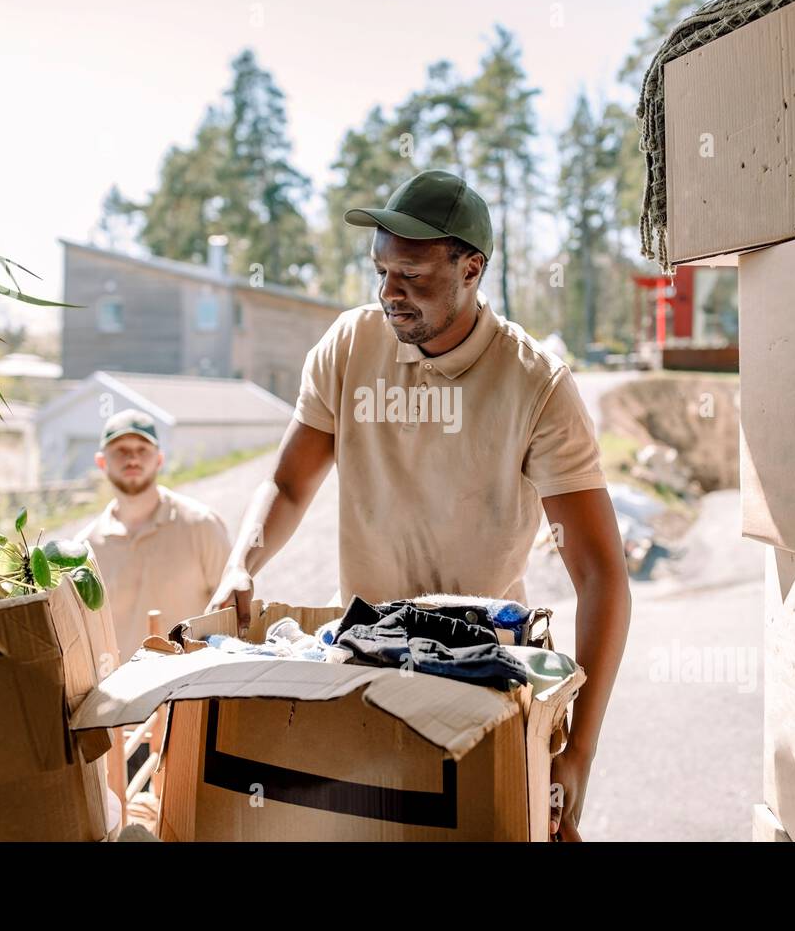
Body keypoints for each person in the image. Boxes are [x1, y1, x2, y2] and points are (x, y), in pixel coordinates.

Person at [207, 169, 631, 840]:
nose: (388, 293)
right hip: (361, 661)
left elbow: (600, 572)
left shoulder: (537, 385)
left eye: (411, 276)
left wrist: (580, 750)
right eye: (381, 272)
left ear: (472, 269)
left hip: (484, 680)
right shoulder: (350, 345)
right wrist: (242, 562)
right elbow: (288, 485)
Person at [81, 408, 231, 660]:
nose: (132, 458)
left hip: (192, 682)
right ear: (102, 462)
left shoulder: (201, 525)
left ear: (159, 459)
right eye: (121, 450)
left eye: (142, 449)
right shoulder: (85, 549)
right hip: (122, 684)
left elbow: (234, 614)